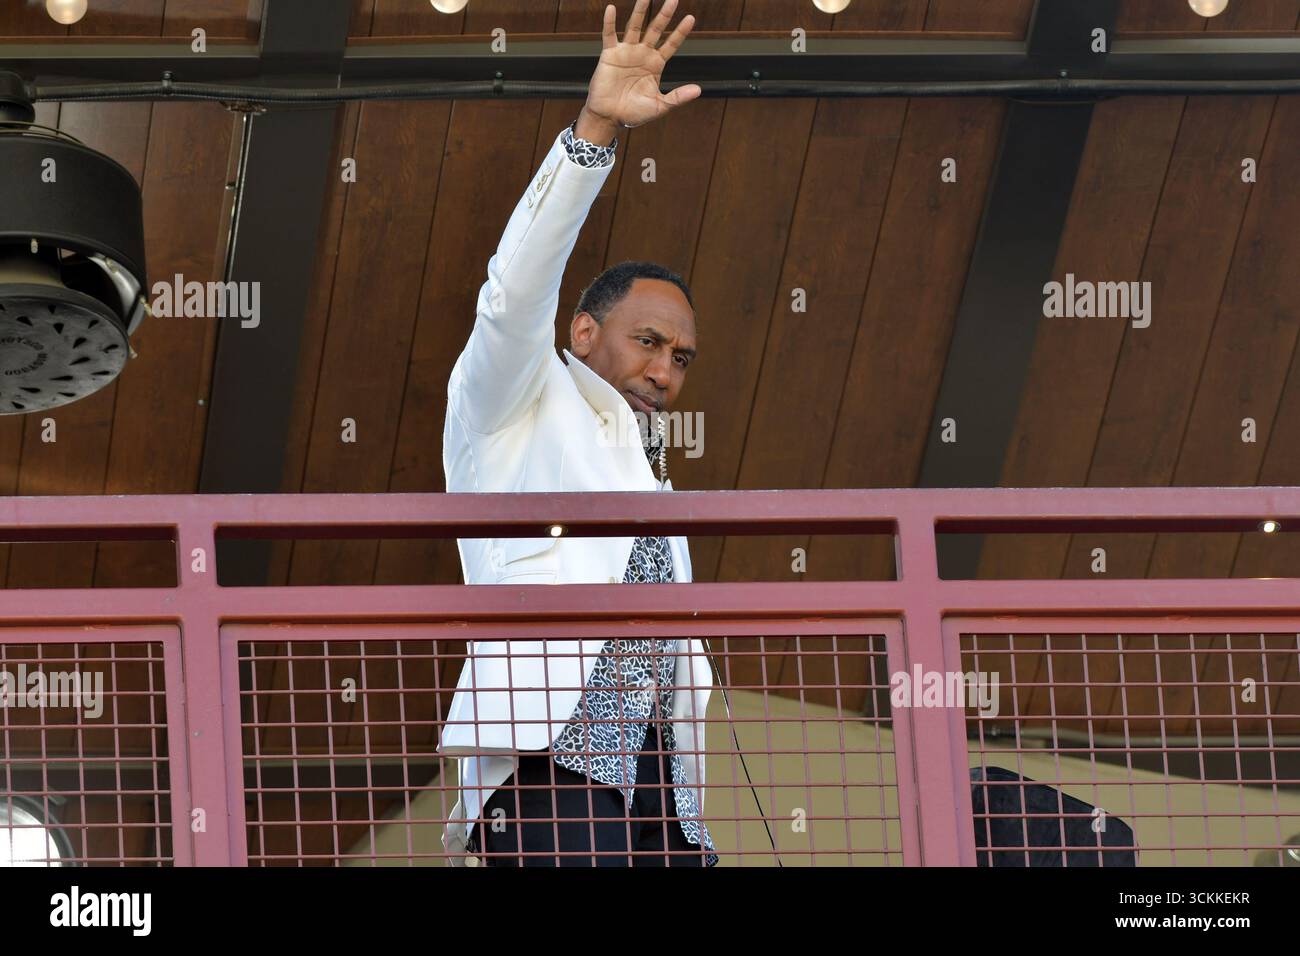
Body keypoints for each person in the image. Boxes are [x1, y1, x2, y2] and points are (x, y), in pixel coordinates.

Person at [437, 1, 717, 867]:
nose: (666, 369)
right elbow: (515, 288)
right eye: (648, 341)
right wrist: (596, 127)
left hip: (660, 790)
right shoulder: (518, 398)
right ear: (584, 334)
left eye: (681, 356)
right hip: (549, 766)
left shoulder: (648, 471)